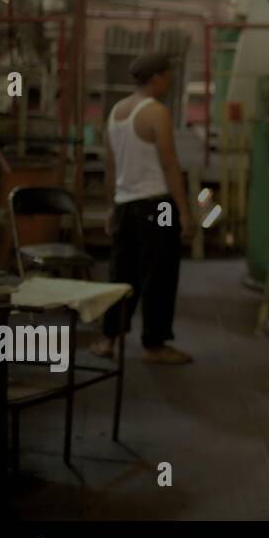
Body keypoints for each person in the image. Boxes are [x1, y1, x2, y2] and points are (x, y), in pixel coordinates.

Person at [92, 52, 195, 364]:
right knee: (160, 273)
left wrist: (111, 207)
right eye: (168, 76)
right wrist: (185, 211)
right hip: (157, 205)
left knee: (121, 274)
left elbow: (110, 167)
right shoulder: (156, 113)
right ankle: (155, 344)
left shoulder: (115, 112)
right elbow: (169, 164)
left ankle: (109, 339)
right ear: (156, 79)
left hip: (125, 205)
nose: (170, 81)